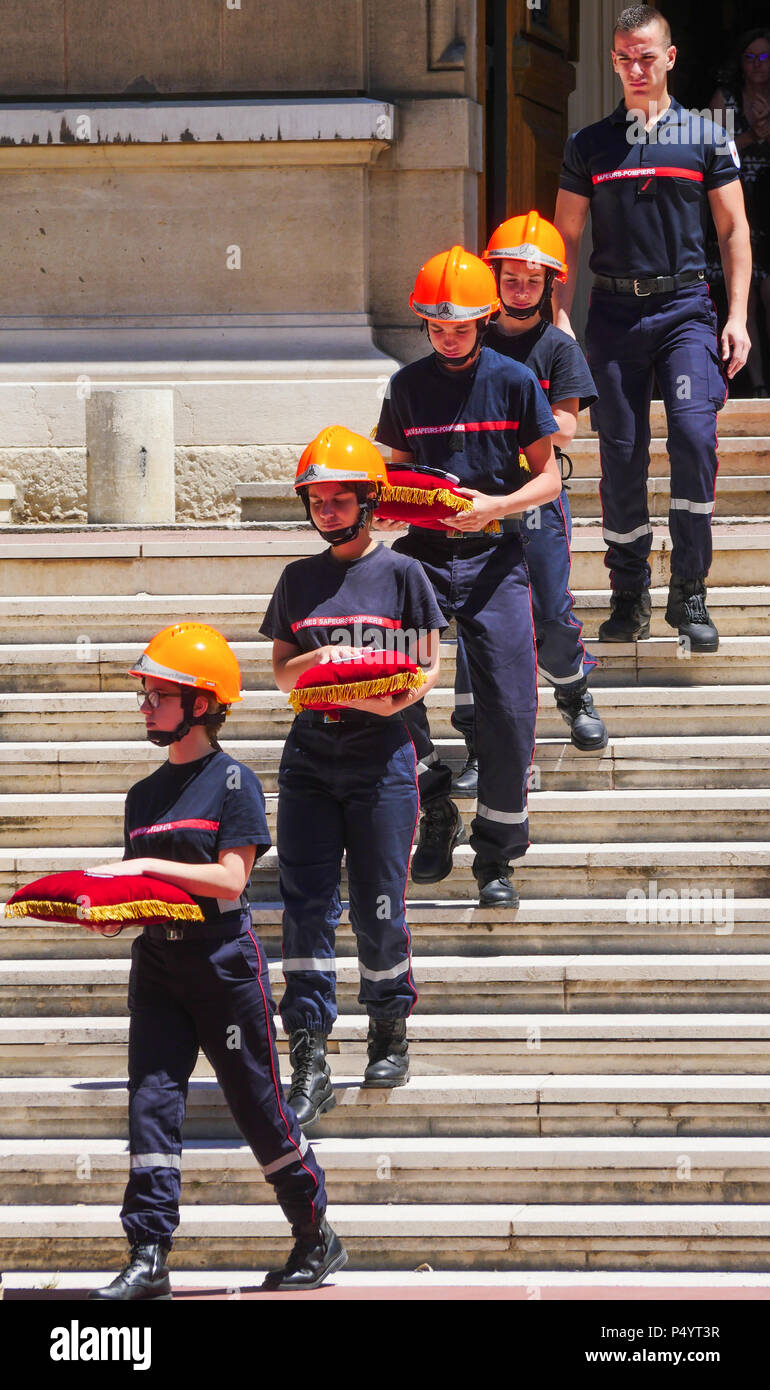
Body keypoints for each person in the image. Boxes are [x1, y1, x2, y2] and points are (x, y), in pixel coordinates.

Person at [87, 622, 345, 1298]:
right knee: (151, 1102)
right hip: (158, 966)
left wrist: (143, 867)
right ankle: (149, 1254)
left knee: (258, 1106)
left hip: (224, 965)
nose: (145, 706)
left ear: (201, 703)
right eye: (144, 694)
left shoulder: (234, 783)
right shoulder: (142, 796)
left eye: (159, 694)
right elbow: (144, 892)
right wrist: (112, 911)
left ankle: (314, 1234)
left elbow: (232, 881)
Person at [260, 426, 444, 1126]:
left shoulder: (404, 575)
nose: (327, 510)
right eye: (316, 501)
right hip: (310, 757)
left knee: (378, 903)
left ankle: (388, 1027)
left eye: (339, 499)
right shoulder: (297, 580)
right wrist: (330, 665)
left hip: (382, 757)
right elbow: (284, 675)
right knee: (306, 907)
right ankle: (309, 1054)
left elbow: (426, 668)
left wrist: (379, 695)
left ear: (369, 501)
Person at [553, 3, 751, 652]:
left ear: (669, 58)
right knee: (621, 456)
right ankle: (629, 593)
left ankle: (689, 589)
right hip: (613, 317)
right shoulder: (588, 145)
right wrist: (560, 321)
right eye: (623, 58)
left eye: (646, 57)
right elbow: (564, 239)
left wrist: (737, 316)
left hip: (685, 312)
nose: (635, 69)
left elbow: (733, 230)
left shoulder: (706, 137)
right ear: (613, 61)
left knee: (693, 438)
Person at [375, 245, 561, 908]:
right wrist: (392, 504)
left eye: (459, 327)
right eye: (435, 327)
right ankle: (434, 806)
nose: (447, 338)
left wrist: (495, 507)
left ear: (483, 320)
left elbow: (549, 477)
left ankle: (496, 855)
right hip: (421, 559)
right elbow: (395, 474)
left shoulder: (516, 381)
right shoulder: (406, 387)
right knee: (388, 681)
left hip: (495, 559)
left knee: (510, 709)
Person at [450, 211, 607, 795]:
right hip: (477, 500)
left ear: (550, 284)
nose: (520, 290)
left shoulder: (559, 349)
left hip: (535, 498)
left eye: (532, 280)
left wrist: (506, 415)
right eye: (510, 278)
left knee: (550, 608)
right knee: (475, 617)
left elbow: (565, 428)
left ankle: (573, 691)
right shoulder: (471, 336)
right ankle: (476, 742)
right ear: (493, 278)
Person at [708, 28, 770, 395]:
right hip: (736, 199)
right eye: (750, 57)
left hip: (768, 204)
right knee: (743, 295)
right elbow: (711, 149)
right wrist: (752, 135)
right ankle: (758, 384)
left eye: (765, 57)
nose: (757, 65)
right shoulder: (725, 98)